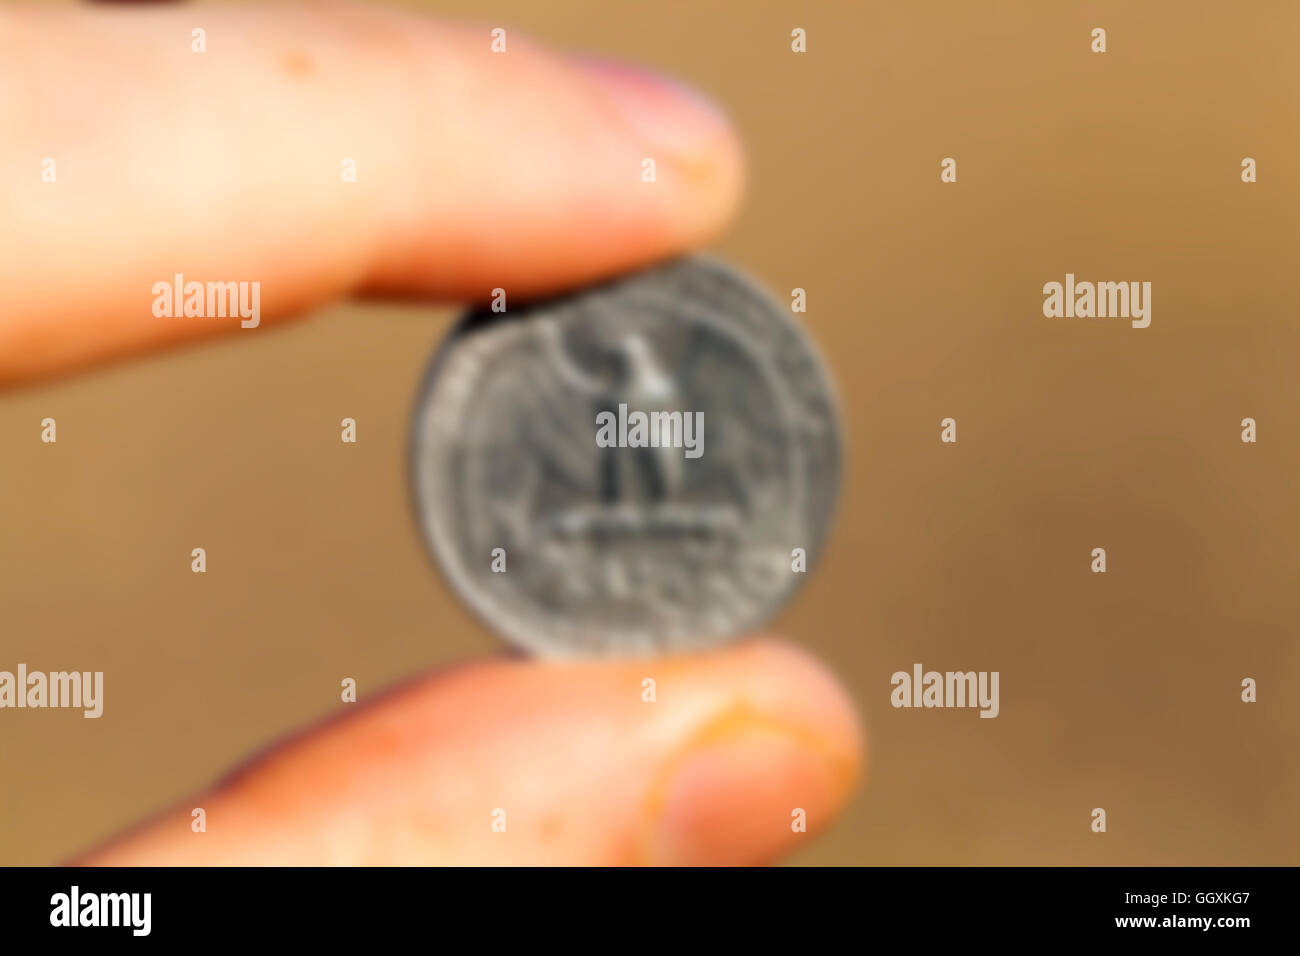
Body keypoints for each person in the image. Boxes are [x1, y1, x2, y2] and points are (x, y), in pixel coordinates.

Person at [1, 0, 861, 865]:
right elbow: (595, 390)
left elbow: (630, 406)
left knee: (653, 481)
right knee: (634, 482)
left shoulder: (651, 382)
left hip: (647, 449)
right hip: (625, 450)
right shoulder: (622, 379)